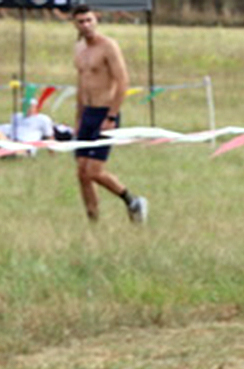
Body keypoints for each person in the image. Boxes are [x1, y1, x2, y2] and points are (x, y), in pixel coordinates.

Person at [70, 4, 146, 224]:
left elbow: (123, 82)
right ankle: (93, 222)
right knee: (82, 174)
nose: (86, 25)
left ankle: (132, 200)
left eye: (89, 20)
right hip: (87, 114)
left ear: (96, 20)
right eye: (81, 21)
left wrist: (111, 116)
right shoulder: (79, 49)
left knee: (94, 170)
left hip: (105, 113)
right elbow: (81, 84)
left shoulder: (109, 47)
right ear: (74, 24)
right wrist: (78, 118)